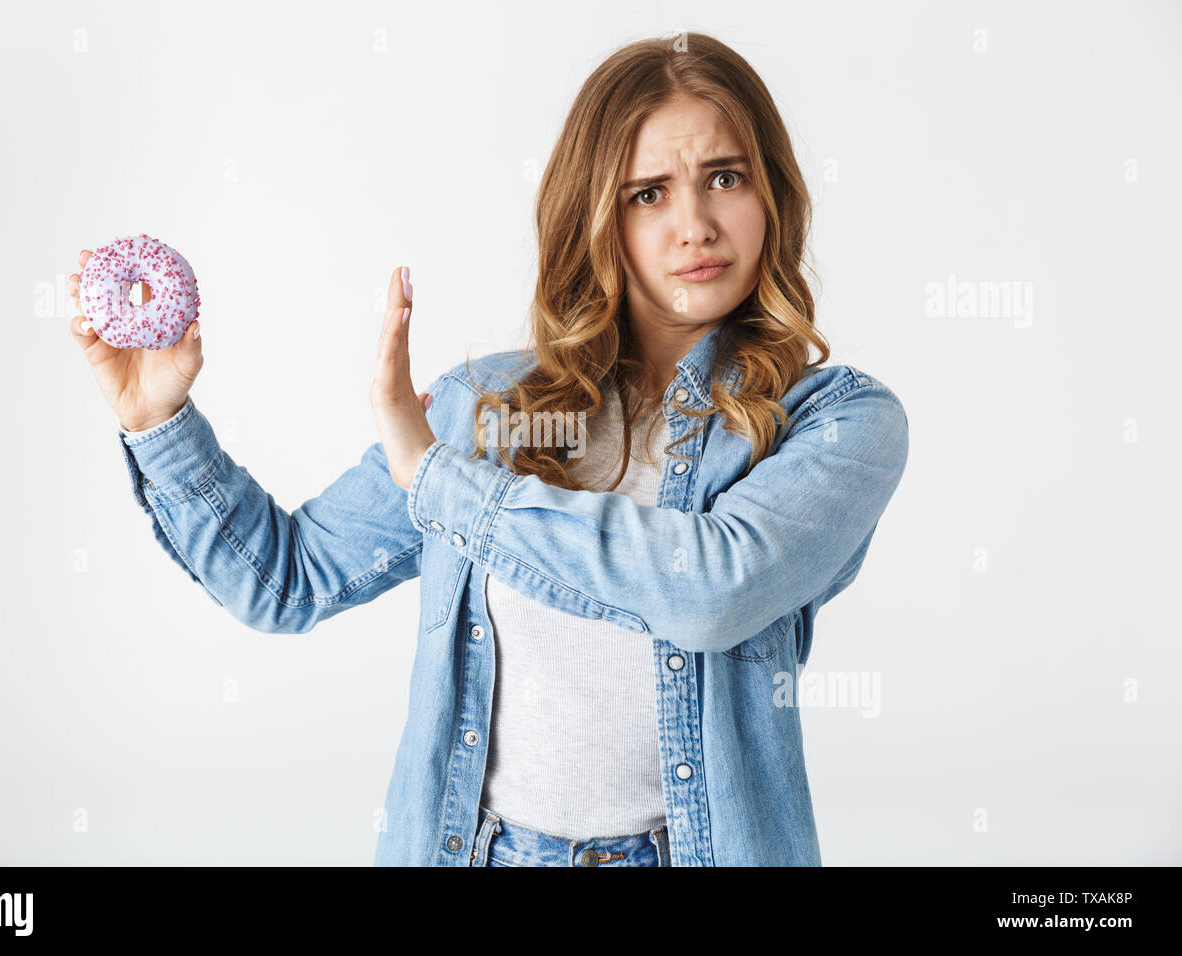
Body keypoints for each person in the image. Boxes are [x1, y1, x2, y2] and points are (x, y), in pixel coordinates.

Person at [66, 32, 909, 867]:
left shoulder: (832, 421)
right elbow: (287, 581)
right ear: (596, 215)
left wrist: (438, 478)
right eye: (647, 193)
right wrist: (159, 421)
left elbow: (711, 591)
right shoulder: (489, 407)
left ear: (772, 196)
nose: (694, 226)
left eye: (724, 178)